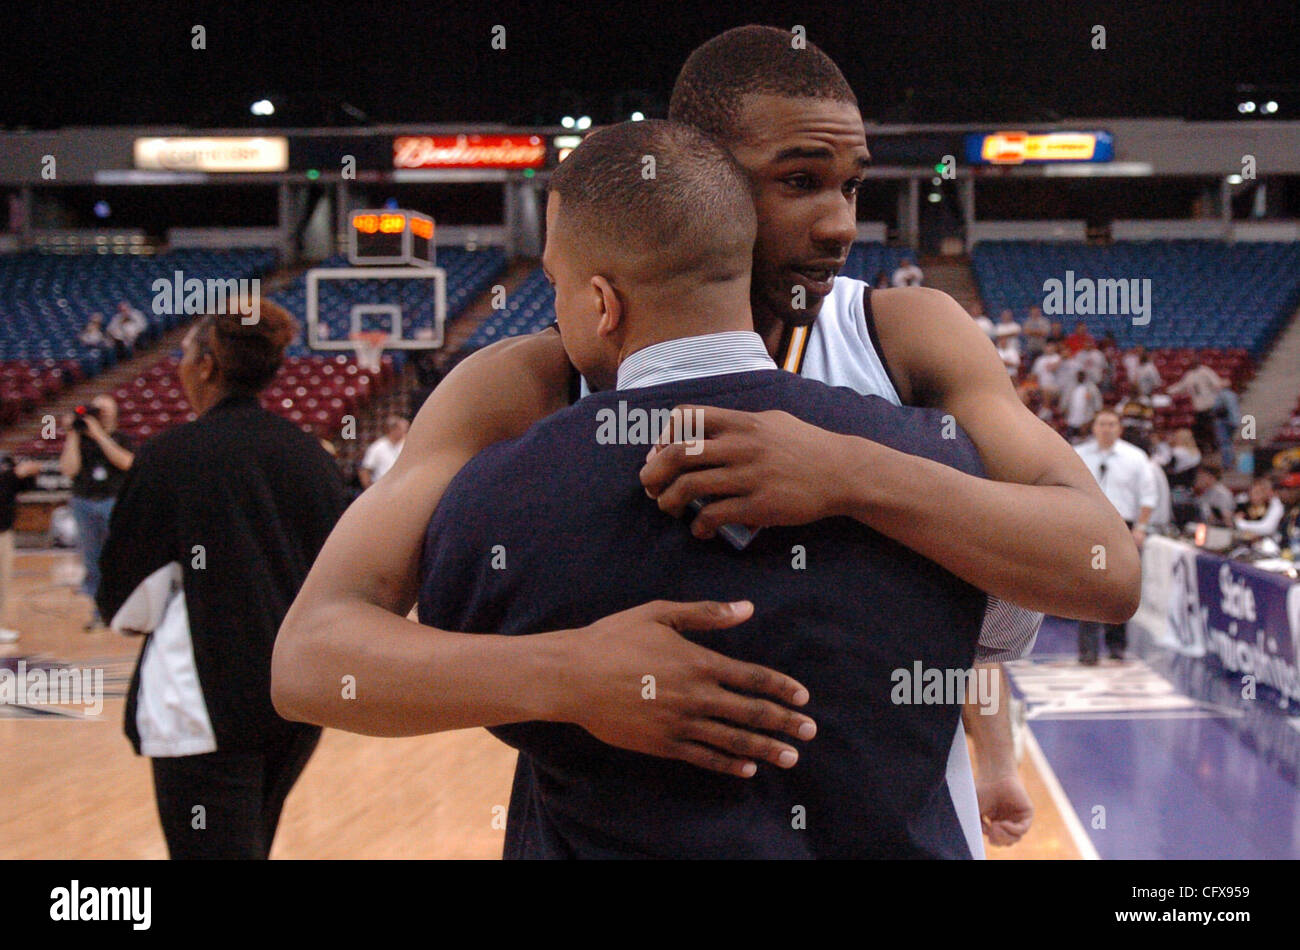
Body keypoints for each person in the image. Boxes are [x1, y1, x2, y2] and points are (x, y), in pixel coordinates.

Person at [276, 25, 1136, 855]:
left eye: (852, 185)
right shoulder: (527, 380)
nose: (840, 223)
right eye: (800, 181)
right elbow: (314, 653)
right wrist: (566, 674)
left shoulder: (906, 332)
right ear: (697, 173)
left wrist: (852, 471)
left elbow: (1107, 568)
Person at [413, 119, 992, 858]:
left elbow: (374, 662)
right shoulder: (944, 466)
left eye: (557, 287)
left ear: (602, 303)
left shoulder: (491, 498)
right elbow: (1014, 623)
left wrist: (559, 674)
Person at [96, 301, 349, 860]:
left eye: (186, 354)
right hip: (292, 702)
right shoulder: (310, 455)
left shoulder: (170, 456)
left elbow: (129, 605)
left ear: (207, 365)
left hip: (201, 708)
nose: (181, 366)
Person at [1073, 409, 1156, 664]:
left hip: (1124, 526)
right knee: (1089, 588)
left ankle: (1116, 645)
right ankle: (1088, 650)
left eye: (1111, 424)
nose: (1106, 428)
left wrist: (1140, 527)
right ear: (1094, 427)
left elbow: (1148, 495)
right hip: (1089, 526)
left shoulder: (1135, 457)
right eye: (1101, 423)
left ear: (1119, 428)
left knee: (1120, 586)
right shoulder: (1078, 454)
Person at [59, 395, 134, 627]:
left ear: (114, 413)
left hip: (113, 502)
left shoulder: (122, 438)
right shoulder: (80, 440)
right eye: (96, 409)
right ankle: (99, 610)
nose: (100, 413)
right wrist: (73, 433)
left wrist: (100, 436)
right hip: (84, 501)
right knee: (93, 558)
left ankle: (126, 608)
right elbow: (69, 469)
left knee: (119, 555)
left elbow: (127, 463)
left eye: (105, 409)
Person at [0, 454, 42, 643]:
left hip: (4, 530)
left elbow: (19, 488)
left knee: (3, 581)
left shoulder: (5, 459)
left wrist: (30, 474)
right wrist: (14, 475)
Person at [1167, 360, 1227, 455]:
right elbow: (1181, 386)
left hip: (1210, 405)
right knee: (1199, 430)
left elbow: (1217, 384)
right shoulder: (1189, 375)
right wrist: (1169, 390)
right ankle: (1204, 449)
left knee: (1211, 429)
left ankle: (1215, 447)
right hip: (1198, 408)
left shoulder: (1206, 371)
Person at [359, 415, 408, 488]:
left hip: (404, 487)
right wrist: (370, 490)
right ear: (393, 429)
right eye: (402, 430)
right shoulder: (377, 447)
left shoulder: (407, 444)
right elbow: (365, 470)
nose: (405, 432)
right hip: (383, 488)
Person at [1235, 476, 1285, 541]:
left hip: (1271, 542)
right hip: (1248, 540)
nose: (1253, 495)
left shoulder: (1276, 505)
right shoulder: (1244, 504)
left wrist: (1242, 524)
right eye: (1252, 492)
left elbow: (1267, 528)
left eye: (1258, 492)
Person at [1192, 463, 1235, 527]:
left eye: (1201, 476)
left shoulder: (1222, 494)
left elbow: (1226, 520)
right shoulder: (1206, 492)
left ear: (1211, 477)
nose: (1198, 479)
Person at [1064, 370, 1101, 442]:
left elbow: (1097, 400)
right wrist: (1064, 408)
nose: (1080, 377)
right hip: (1073, 412)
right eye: (1079, 376)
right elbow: (1065, 399)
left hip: (1087, 412)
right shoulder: (1071, 387)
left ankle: (1084, 437)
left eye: (1082, 376)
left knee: (1085, 424)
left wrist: (1097, 410)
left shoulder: (1091, 387)